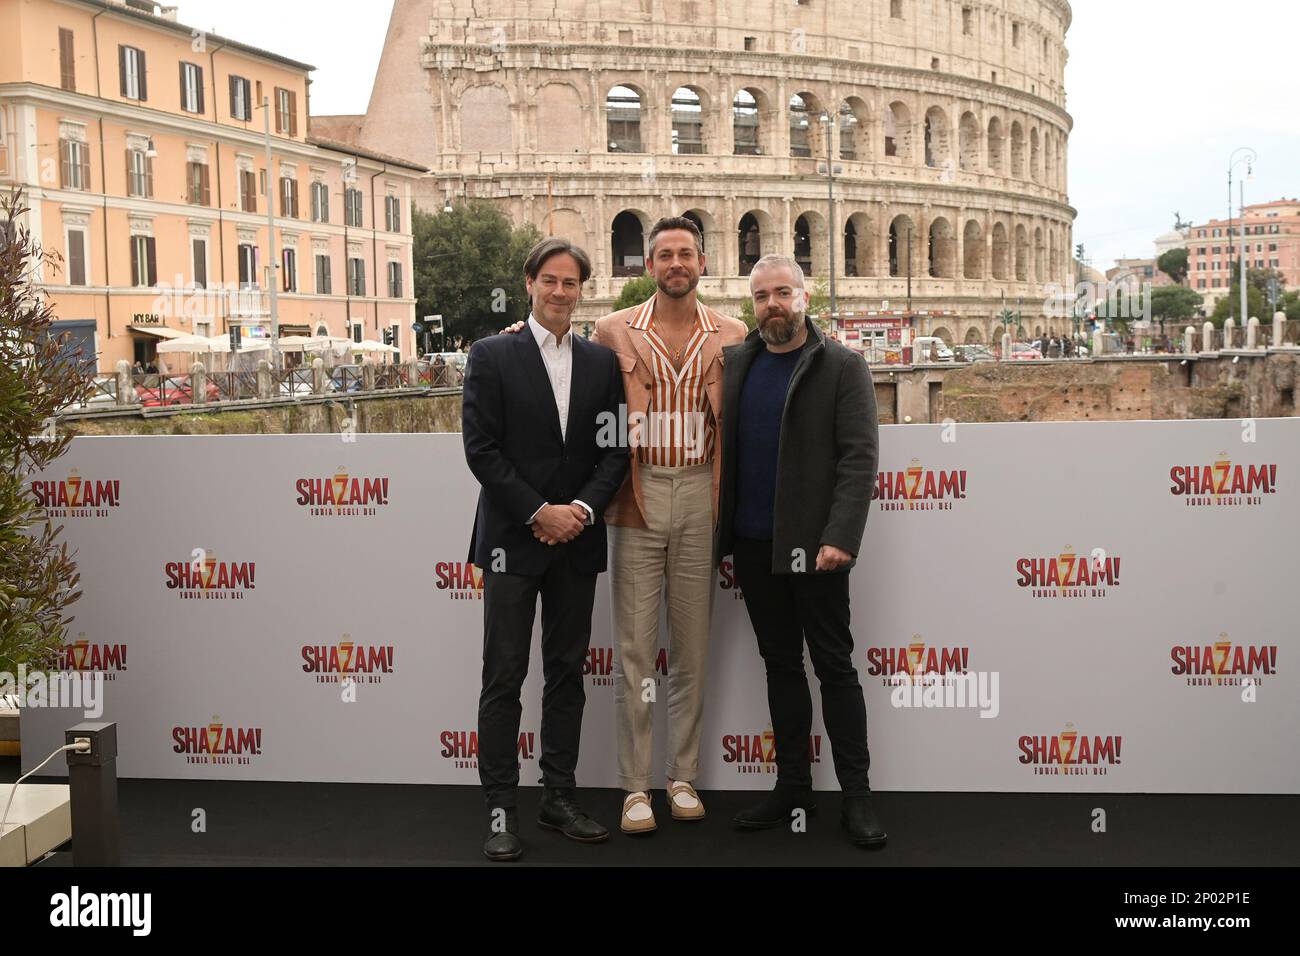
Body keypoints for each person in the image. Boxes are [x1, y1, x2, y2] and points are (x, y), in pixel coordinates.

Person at [462, 237, 629, 862]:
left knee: (566, 676)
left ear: (582, 290)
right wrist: (539, 512)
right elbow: (482, 450)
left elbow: (614, 449)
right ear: (529, 282)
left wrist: (579, 512)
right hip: (512, 541)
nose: (561, 292)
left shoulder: (601, 363)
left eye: (572, 283)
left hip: (577, 544)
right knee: (503, 679)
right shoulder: (491, 354)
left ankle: (559, 796)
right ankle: (501, 809)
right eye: (550, 280)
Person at [714, 253, 887, 848]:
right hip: (755, 546)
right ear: (752, 304)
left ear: (804, 296)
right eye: (761, 296)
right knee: (781, 667)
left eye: (783, 293)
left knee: (835, 669)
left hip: (816, 551)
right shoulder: (736, 363)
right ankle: (793, 786)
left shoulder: (842, 365)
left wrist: (841, 536)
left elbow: (859, 456)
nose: (773, 306)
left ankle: (857, 796)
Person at [592, 216, 748, 834]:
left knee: (690, 647)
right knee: (634, 648)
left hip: (701, 493)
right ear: (648, 265)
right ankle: (635, 787)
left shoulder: (733, 334)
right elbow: (581, 393)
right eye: (664, 255)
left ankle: (683, 777)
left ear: (702, 263)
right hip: (639, 493)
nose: (676, 263)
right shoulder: (612, 331)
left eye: (686, 253)